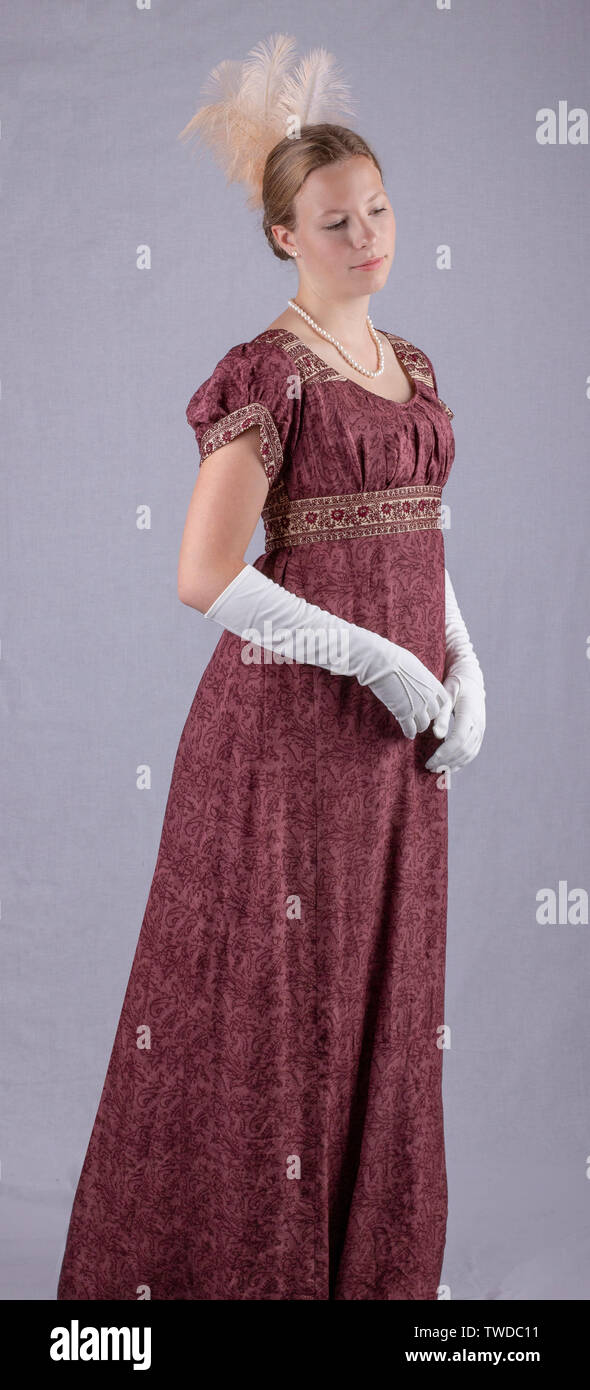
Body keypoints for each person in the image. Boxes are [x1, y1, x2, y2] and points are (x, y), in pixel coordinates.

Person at [57, 45, 485, 1303]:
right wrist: (377, 660)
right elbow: (203, 575)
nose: (367, 237)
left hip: (394, 753)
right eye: (335, 222)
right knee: (278, 1006)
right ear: (283, 237)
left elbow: (415, 539)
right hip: (288, 743)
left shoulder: (411, 369)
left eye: (379, 210)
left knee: (379, 992)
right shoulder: (269, 375)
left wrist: (461, 663)